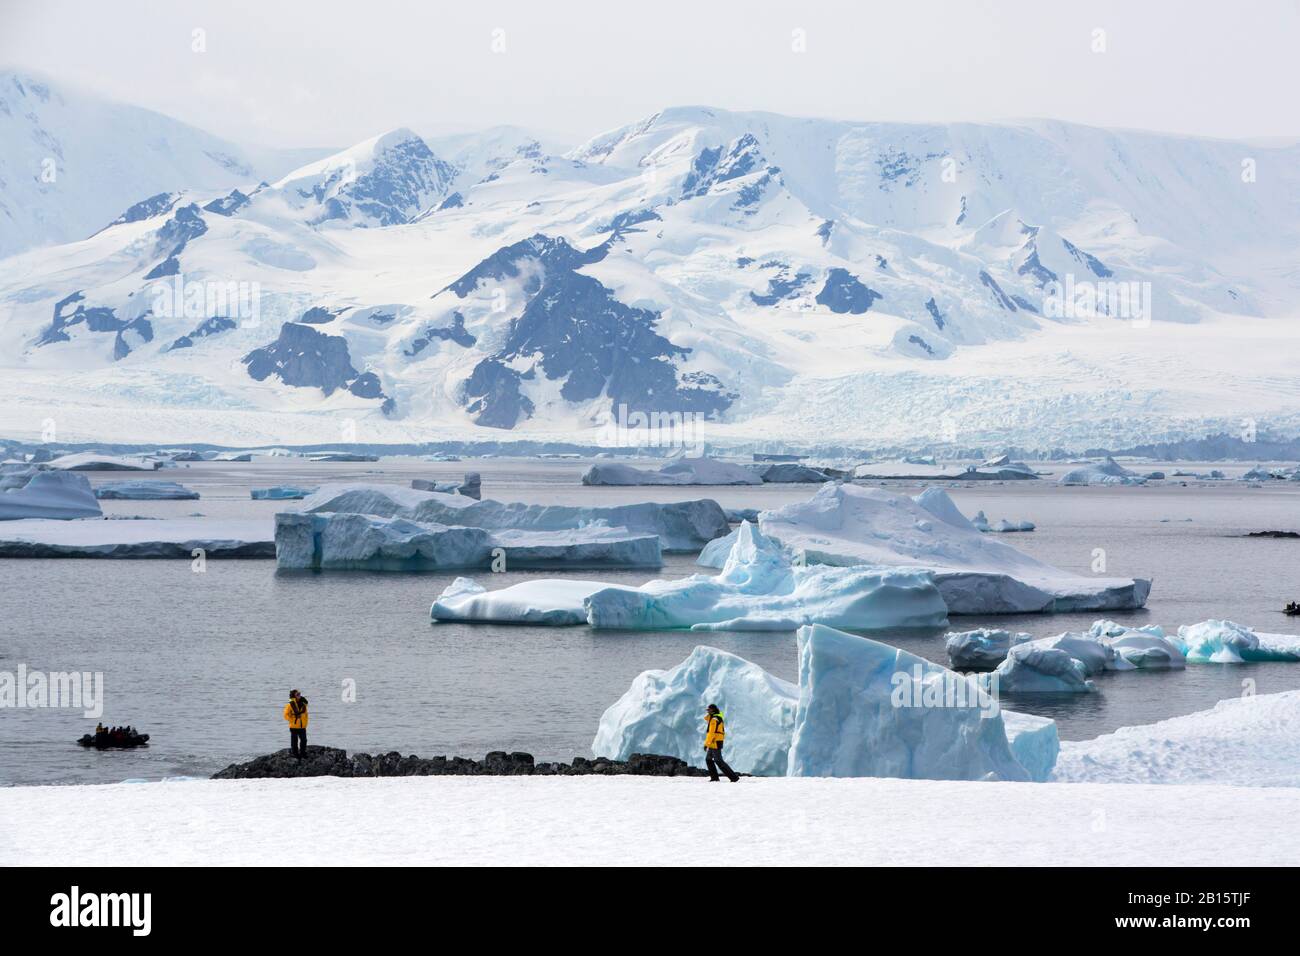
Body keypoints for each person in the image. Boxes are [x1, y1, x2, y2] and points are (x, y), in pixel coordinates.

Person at [703, 703, 739, 782]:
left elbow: (712, 733)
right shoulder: (714, 718)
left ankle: (733, 777)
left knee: (718, 760)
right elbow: (706, 718)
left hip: (715, 742)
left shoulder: (714, 719)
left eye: (709, 710)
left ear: (713, 710)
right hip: (714, 742)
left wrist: (706, 744)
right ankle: (714, 778)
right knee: (708, 759)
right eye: (707, 710)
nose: (708, 711)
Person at [284, 689, 309, 759]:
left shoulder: (303, 704)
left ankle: (303, 753)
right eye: (297, 694)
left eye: (300, 694)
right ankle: (295, 754)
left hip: (302, 726)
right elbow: (285, 715)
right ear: (294, 696)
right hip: (294, 726)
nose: (299, 695)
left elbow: (306, 714)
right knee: (294, 741)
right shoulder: (289, 705)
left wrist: (306, 723)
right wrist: (292, 719)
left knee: (304, 740)